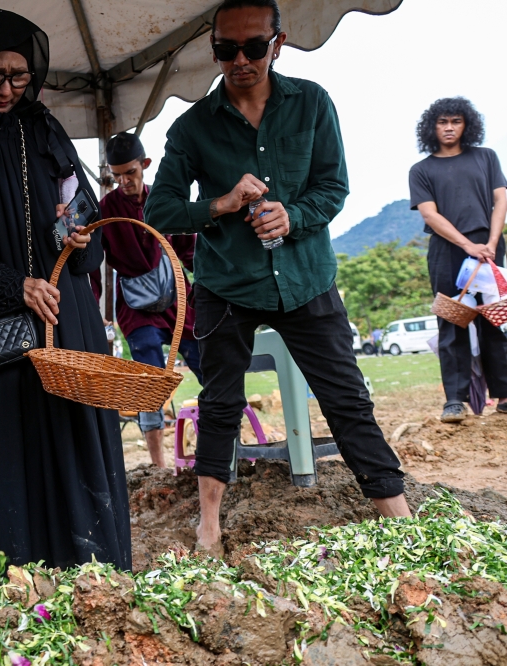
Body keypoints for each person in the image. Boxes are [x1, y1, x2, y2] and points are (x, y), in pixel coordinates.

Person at [143, 0, 411, 556]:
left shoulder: (312, 103)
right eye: (226, 49)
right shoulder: (192, 128)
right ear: (213, 50)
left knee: (347, 400)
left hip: (307, 277)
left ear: (278, 43)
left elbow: (333, 188)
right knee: (219, 404)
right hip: (227, 285)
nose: (239, 60)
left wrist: (294, 215)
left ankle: (400, 522)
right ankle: (208, 527)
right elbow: (160, 211)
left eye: (253, 47)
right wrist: (219, 204)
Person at [0, 8, 131, 596]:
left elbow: (84, 211)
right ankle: (10, 586)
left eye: (18, 75)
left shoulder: (46, 130)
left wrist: (77, 231)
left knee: (71, 436)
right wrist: (12, 284)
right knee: (6, 451)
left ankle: (91, 580)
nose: (7, 88)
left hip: (64, 317)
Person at [90, 132, 202, 468]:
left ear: (145, 166)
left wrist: (210, 289)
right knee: (148, 380)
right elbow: (93, 265)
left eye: (131, 173)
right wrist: (96, 311)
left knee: (207, 362)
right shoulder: (105, 212)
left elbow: (188, 248)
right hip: (136, 307)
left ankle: (223, 446)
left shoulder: (162, 200)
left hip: (178, 299)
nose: (125, 181)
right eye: (117, 175)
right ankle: (158, 465)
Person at [408, 97, 507, 421]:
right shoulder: (422, 169)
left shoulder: (485, 157)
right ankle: (455, 400)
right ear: (432, 127)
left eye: (456, 121)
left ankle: (504, 394)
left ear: (467, 125)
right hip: (447, 250)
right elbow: (429, 214)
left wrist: (491, 242)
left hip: (490, 246)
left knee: (496, 318)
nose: (449, 128)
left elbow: (500, 198)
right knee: (452, 320)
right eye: (443, 122)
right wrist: (467, 245)